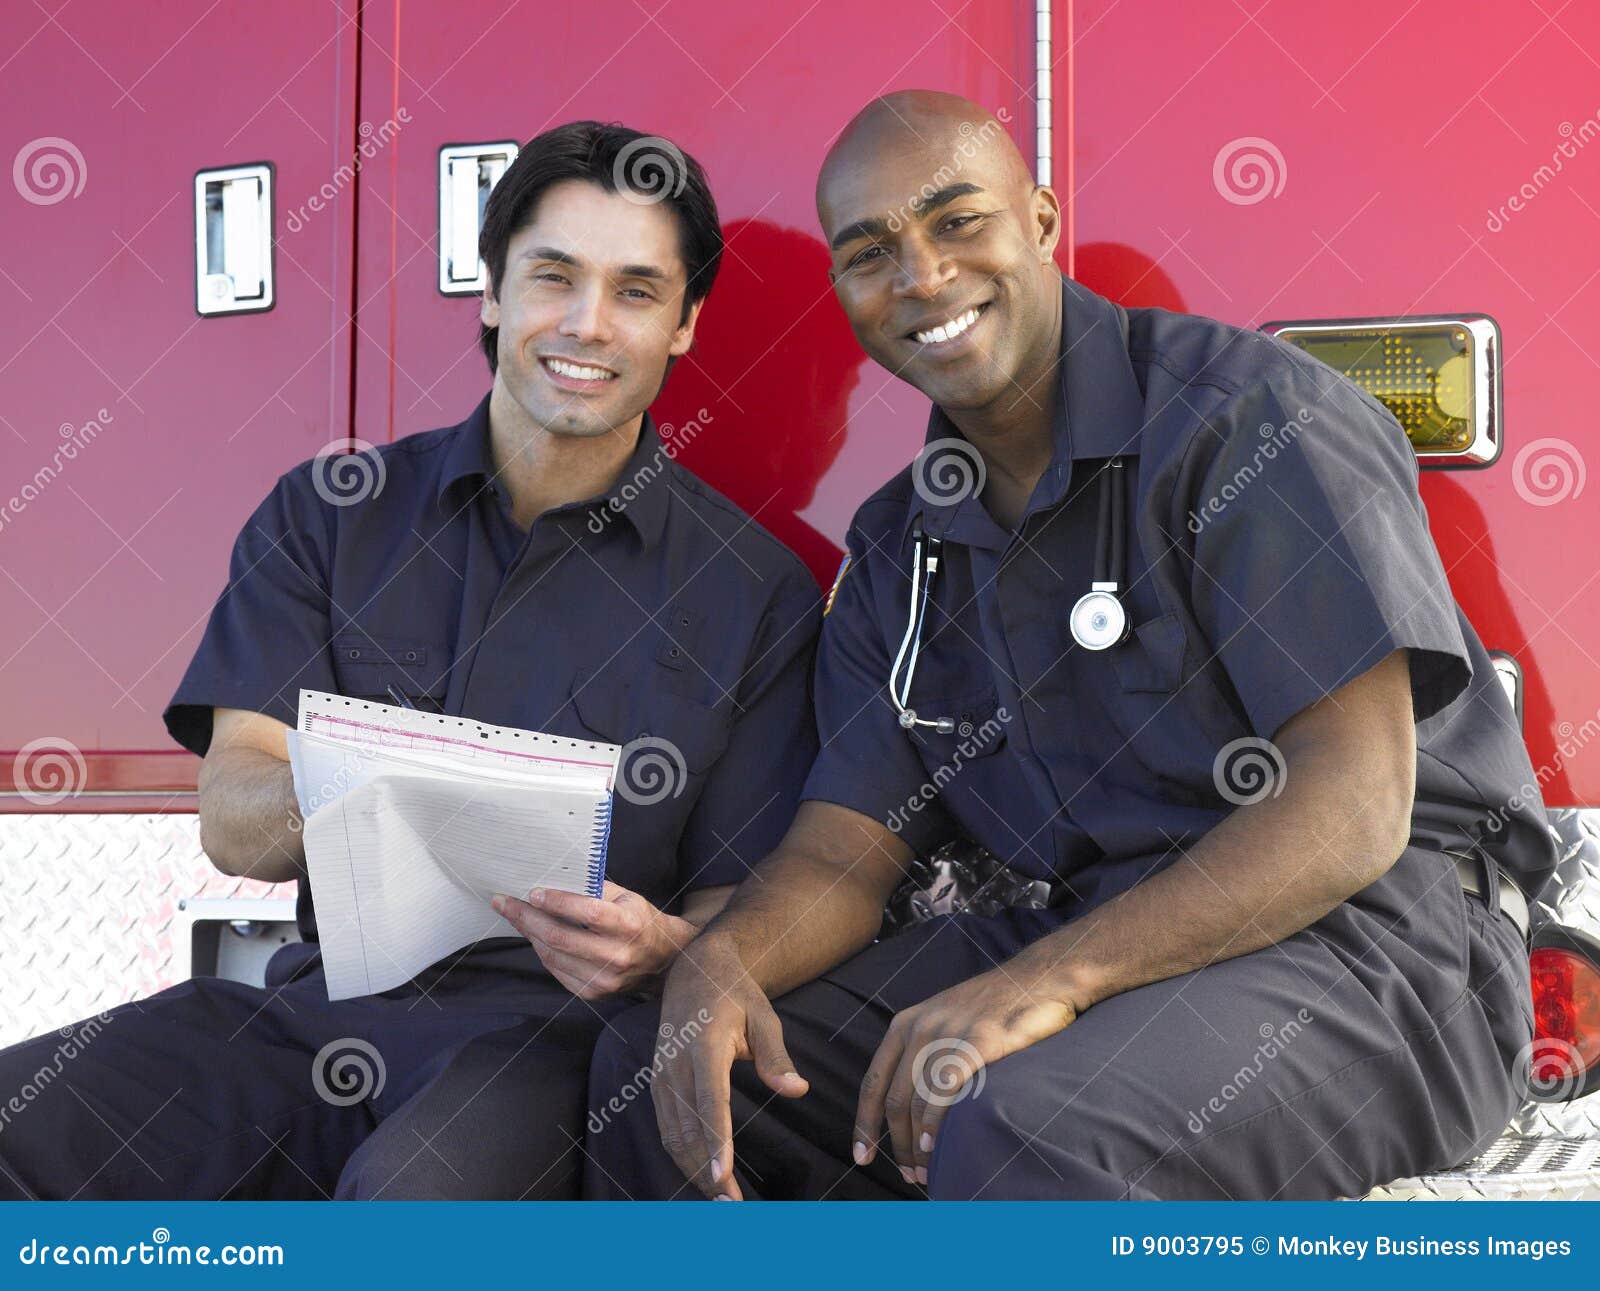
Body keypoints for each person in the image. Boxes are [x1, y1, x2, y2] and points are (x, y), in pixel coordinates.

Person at [582, 91, 1557, 1201]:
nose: (921, 278)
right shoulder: (902, 540)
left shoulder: (1246, 421)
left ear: (1040, 224)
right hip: (1114, 939)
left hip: (1378, 943)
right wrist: (719, 963)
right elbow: (843, 855)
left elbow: (1351, 806)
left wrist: (1053, 976)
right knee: (669, 1074)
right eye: (869, 253)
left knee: (1016, 1127)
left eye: (958, 222)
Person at [0, 121, 820, 1201]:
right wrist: (390, 798)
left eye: (634, 291)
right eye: (553, 277)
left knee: (403, 1215)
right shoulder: (329, 515)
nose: (585, 323)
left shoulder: (757, 589)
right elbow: (234, 818)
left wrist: (663, 945)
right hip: (302, 1015)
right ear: (489, 292)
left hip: (549, 1046)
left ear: (682, 326)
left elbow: (735, 906)